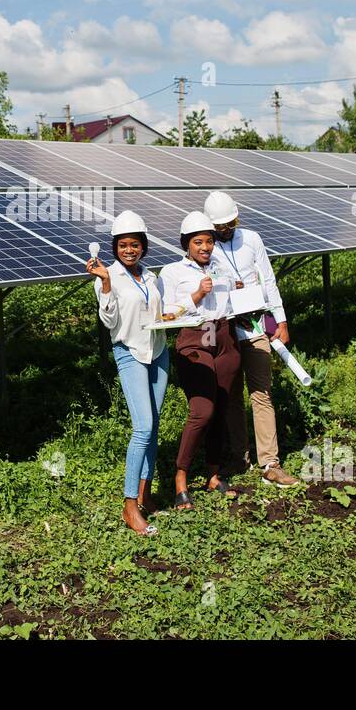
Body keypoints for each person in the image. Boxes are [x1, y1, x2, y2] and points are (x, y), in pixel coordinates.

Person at [203, 191, 300, 487]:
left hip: (256, 326)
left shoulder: (252, 239)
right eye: (219, 227)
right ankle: (238, 455)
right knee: (231, 396)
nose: (225, 231)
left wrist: (280, 319)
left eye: (230, 224)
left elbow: (268, 279)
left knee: (261, 393)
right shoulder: (205, 249)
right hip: (227, 332)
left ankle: (270, 462)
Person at [86, 210, 173, 535]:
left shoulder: (150, 276)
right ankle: (129, 506)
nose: (129, 250)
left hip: (159, 351)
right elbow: (108, 322)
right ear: (115, 247)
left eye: (135, 244)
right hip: (130, 353)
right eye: (123, 245)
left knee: (155, 426)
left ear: (143, 246)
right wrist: (106, 283)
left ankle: (145, 495)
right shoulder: (108, 277)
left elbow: (156, 311)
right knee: (144, 426)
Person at [159, 211, 244, 509]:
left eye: (209, 241)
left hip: (223, 335)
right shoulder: (171, 272)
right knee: (202, 411)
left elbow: (236, 303)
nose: (205, 247)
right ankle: (180, 479)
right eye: (198, 242)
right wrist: (195, 295)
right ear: (186, 244)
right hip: (195, 337)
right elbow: (166, 313)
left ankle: (213, 474)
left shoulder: (222, 268)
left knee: (220, 407)